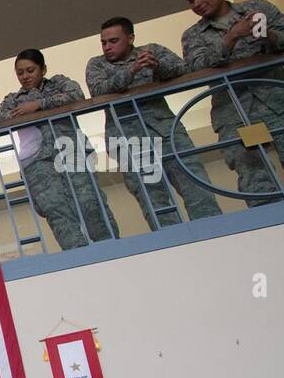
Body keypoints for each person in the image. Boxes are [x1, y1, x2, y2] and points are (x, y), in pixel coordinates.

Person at [180, 0, 284, 203]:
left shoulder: (259, 10)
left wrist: (269, 37)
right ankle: (270, 221)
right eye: (191, 0)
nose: (197, 3)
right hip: (233, 110)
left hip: (280, 99)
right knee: (251, 172)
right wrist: (231, 37)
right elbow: (197, 69)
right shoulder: (192, 35)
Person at [86, 17, 221, 227]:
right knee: (152, 197)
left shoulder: (151, 50)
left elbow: (182, 68)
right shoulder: (97, 64)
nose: (107, 47)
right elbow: (98, 90)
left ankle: (213, 229)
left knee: (193, 181)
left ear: (130, 38)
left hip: (165, 129)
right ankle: (173, 242)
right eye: (104, 43)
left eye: (113, 41)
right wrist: (132, 71)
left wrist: (157, 66)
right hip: (128, 140)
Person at [0, 49, 119, 250]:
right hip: (36, 161)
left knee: (90, 202)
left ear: (43, 69)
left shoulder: (59, 83)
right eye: (20, 73)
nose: (25, 76)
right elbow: (3, 116)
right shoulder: (12, 98)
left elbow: (76, 94)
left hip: (71, 150)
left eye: (30, 70)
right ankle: (77, 254)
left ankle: (110, 249)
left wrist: (38, 105)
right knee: (55, 209)